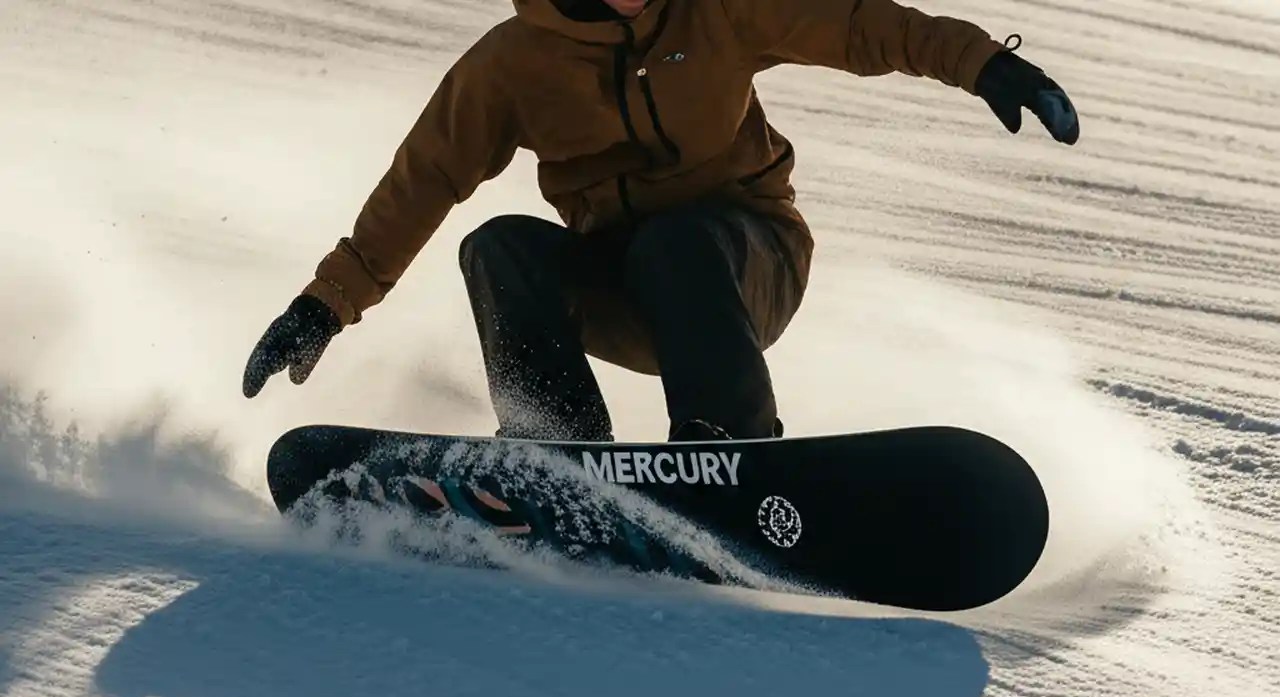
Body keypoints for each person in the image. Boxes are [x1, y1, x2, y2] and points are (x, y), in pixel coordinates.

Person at [241, 0, 1079, 443]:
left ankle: (730, 445)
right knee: (497, 248)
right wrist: (323, 307)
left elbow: (862, 25)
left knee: (677, 243)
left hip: (750, 263)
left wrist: (988, 66)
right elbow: (422, 180)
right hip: (624, 285)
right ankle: (559, 450)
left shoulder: (718, 7)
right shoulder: (513, 62)